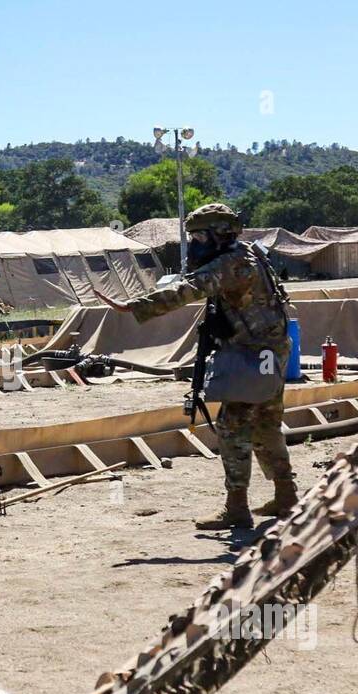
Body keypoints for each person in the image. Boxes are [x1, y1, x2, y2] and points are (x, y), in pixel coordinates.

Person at [95, 203, 297, 530]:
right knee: (267, 425)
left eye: (199, 236)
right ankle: (287, 496)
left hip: (249, 355)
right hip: (271, 352)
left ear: (218, 235)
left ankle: (237, 507)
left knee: (233, 427)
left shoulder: (230, 264)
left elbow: (187, 289)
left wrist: (133, 306)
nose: (196, 244)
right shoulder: (248, 254)